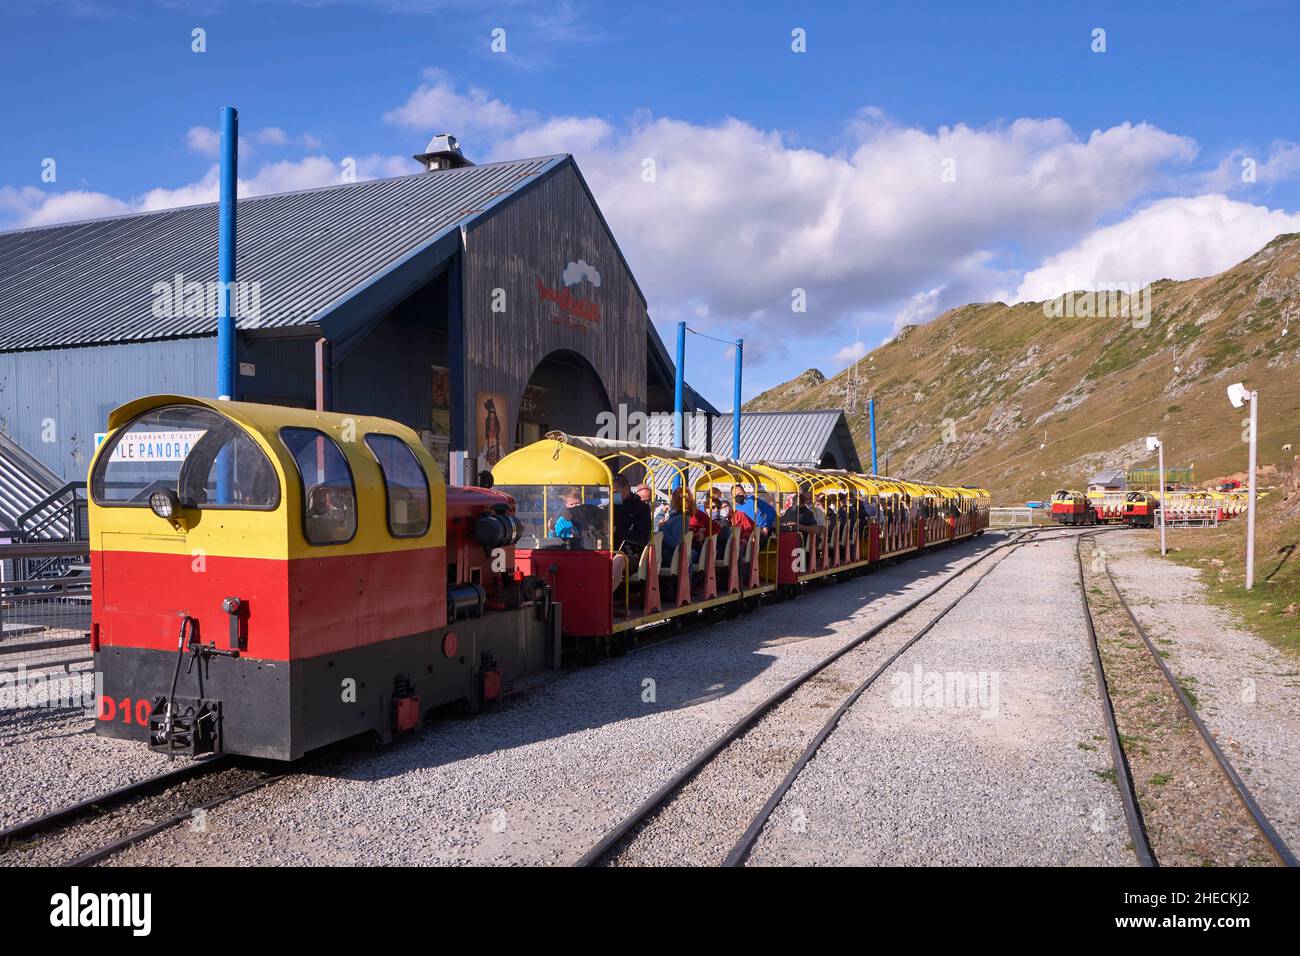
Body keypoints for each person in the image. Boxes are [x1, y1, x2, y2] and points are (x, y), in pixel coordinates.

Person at [612, 474, 651, 556]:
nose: (611, 495)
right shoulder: (609, 508)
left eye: (615, 492)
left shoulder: (641, 508)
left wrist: (616, 530)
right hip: (609, 549)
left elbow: (642, 539)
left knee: (618, 560)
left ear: (626, 489)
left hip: (630, 552)